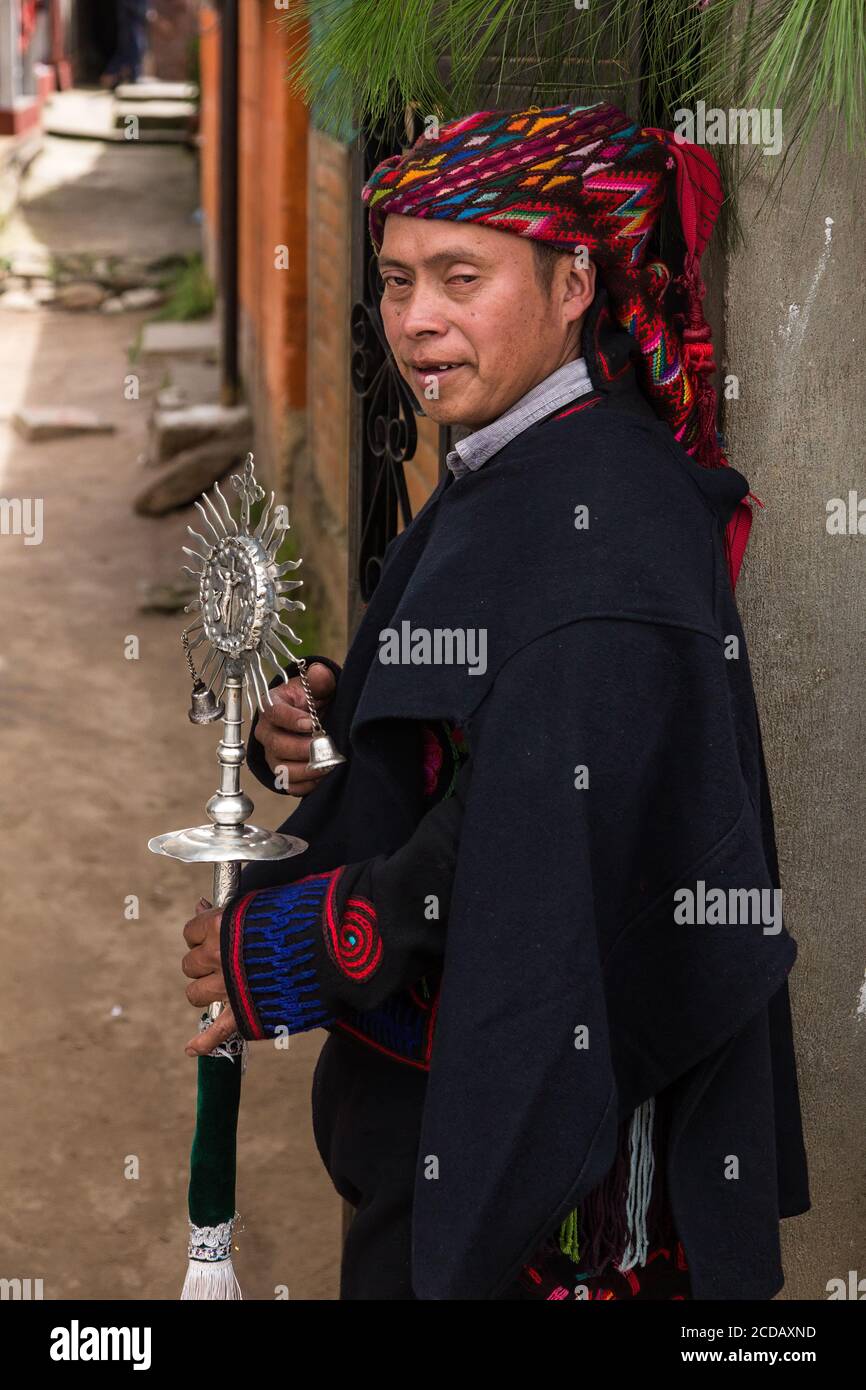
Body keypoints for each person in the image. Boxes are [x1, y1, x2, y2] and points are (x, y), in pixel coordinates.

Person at [181, 101, 810, 1300]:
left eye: (460, 276)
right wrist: (327, 719)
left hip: (550, 1185)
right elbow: (461, 733)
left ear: (573, 282)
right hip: (437, 1102)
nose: (417, 320)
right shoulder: (512, 466)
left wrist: (295, 944)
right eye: (396, 279)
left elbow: (526, 836)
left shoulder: (605, 524)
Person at [100, 0, 150, 89]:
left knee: (138, 49)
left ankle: (133, 76)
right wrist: (145, 12)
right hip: (130, 22)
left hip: (137, 22)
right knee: (131, 49)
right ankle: (110, 76)